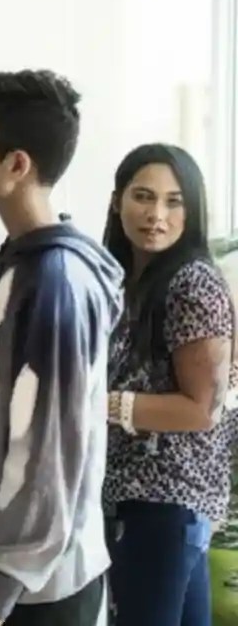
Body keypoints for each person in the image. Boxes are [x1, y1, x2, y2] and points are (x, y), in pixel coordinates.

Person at [0, 69, 123, 626]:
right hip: (14, 574)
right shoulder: (24, 259)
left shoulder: (54, 282)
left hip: (42, 592)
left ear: (16, 164)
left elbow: (48, 452)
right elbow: (5, 428)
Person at [100, 144, 236, 625]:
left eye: (174, 201)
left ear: (191, 210)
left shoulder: (191, 283)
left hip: (163, 502)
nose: (156, 214)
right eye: (143, 196)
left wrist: (103, 405)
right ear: (117, 201)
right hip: (149, 505)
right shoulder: (127, 279)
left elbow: (202, 410)